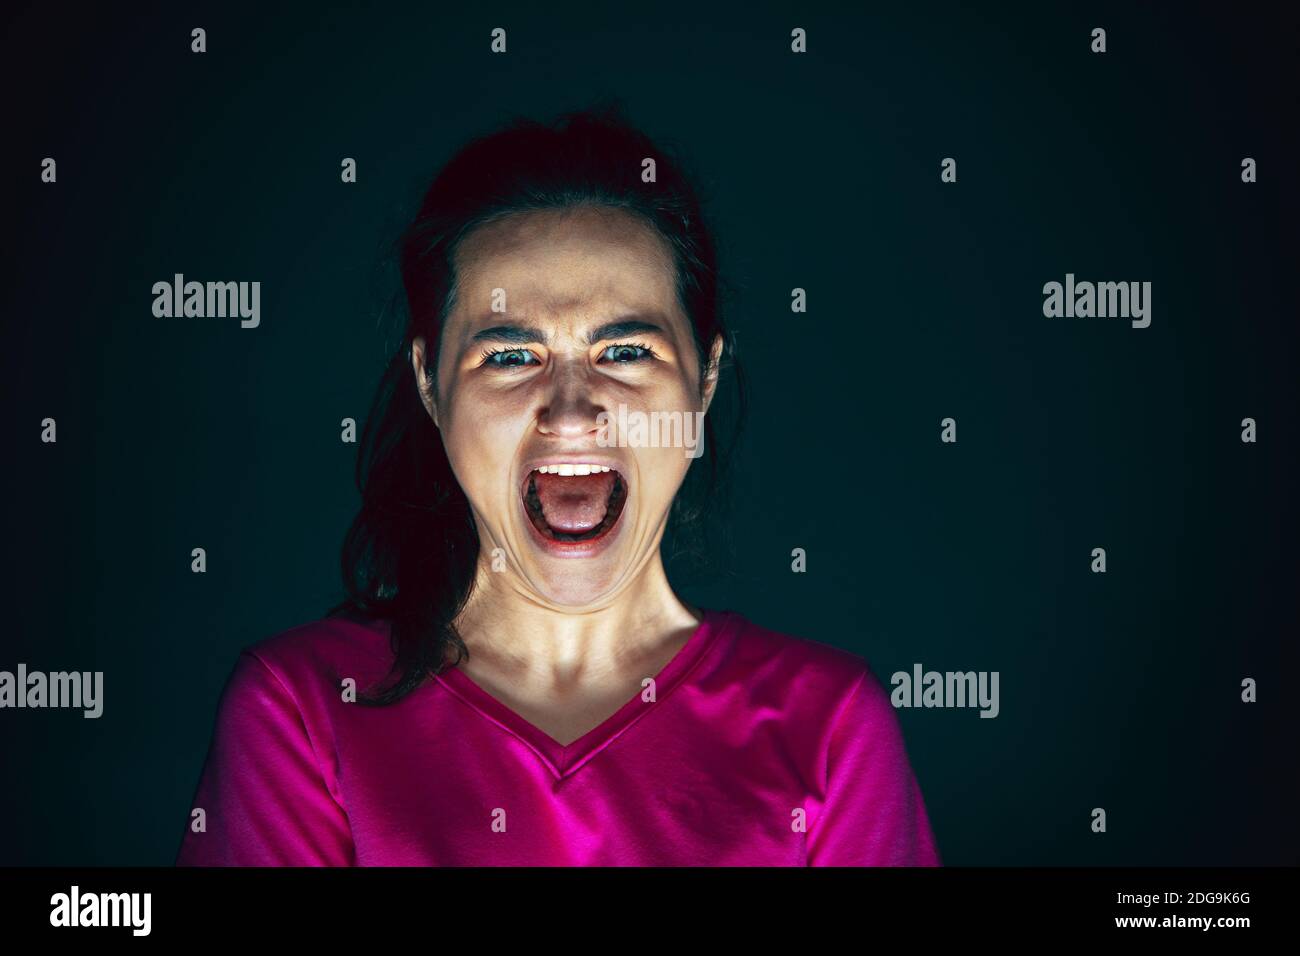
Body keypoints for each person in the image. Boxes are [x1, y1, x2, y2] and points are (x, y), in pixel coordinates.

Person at [176, 104, 940, 866]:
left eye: (627, 351)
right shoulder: (302, 709)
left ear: (704, 383)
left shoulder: (828, 724)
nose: (572, 411)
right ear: (430, 386)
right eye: (510, 357)